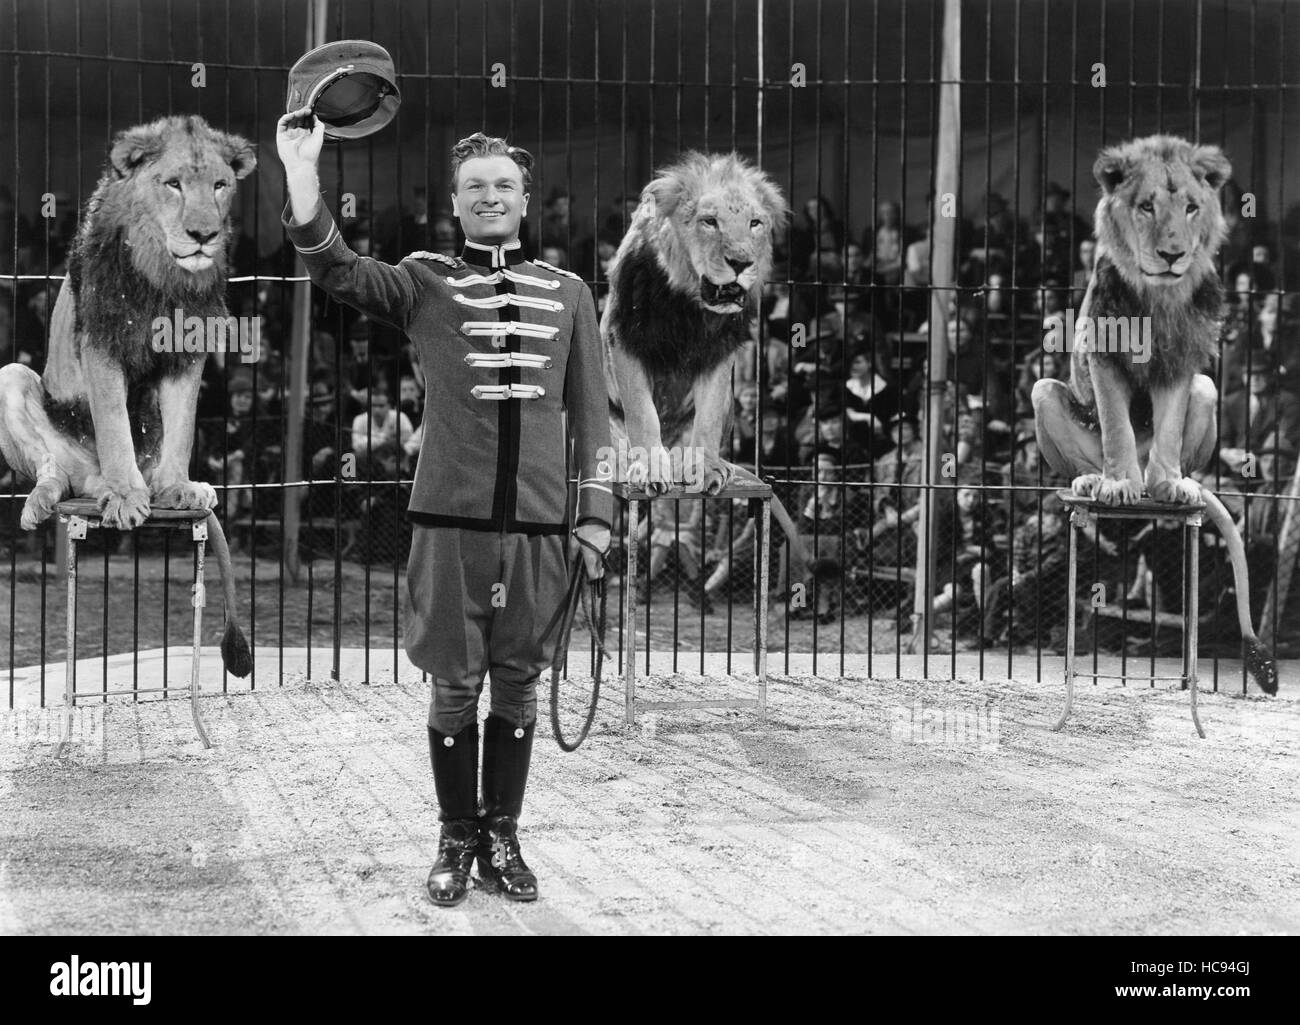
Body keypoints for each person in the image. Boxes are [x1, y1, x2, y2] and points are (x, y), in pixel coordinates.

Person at [277, 112, 612, 908]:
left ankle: (505, 833)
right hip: (448, 523)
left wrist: (594, 516)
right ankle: (456, 835)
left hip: (538, 526)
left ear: (526, 199)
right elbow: (337, 267)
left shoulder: (570, 294)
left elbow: (593, 415)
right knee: (453, 688)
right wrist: (300, 170)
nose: (489, 197)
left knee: (520, 685)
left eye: (503, 185)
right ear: (455, 205)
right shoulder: (424, 279)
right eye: (474, 188)